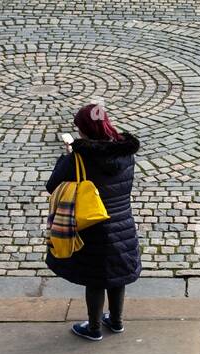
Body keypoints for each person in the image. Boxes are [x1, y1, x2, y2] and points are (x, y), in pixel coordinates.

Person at [44, 103, 142, 341]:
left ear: (85, 130)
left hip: (94, 227)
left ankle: (94, 327)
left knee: (96, 278)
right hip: (123, 223)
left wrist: (67, 157)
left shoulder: (78, 159)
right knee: (117, 274)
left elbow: (51, 185)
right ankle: (116, 321)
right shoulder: (126, 153)